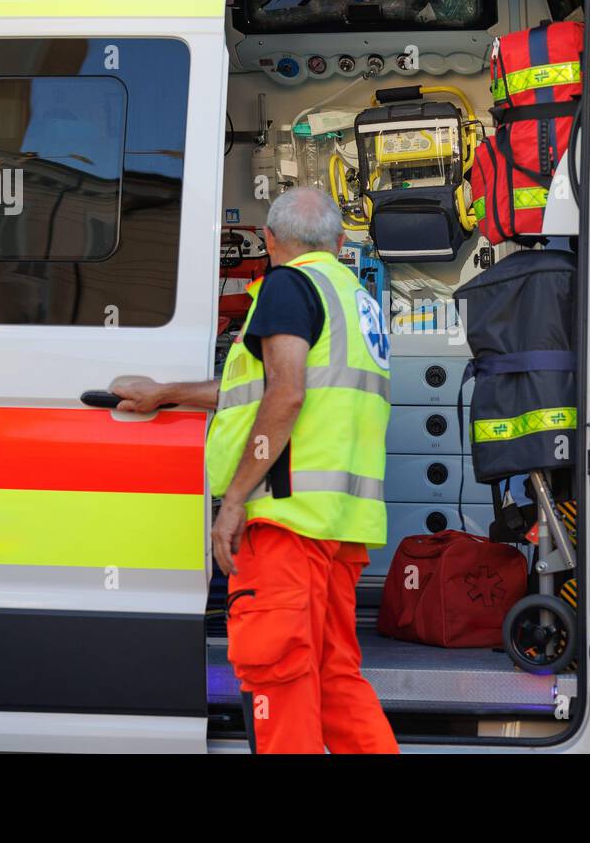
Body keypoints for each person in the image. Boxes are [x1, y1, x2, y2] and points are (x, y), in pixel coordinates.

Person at [110, 188, 398, 754]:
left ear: (269, 241)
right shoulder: (352, 296)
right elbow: (265, 386)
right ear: (340, 243)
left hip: (287, 522)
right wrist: (167, 392)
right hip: (340, 527)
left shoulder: (288, 285)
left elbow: (286, 394)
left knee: (277, 677)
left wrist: (236, 497)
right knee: (336, 681)